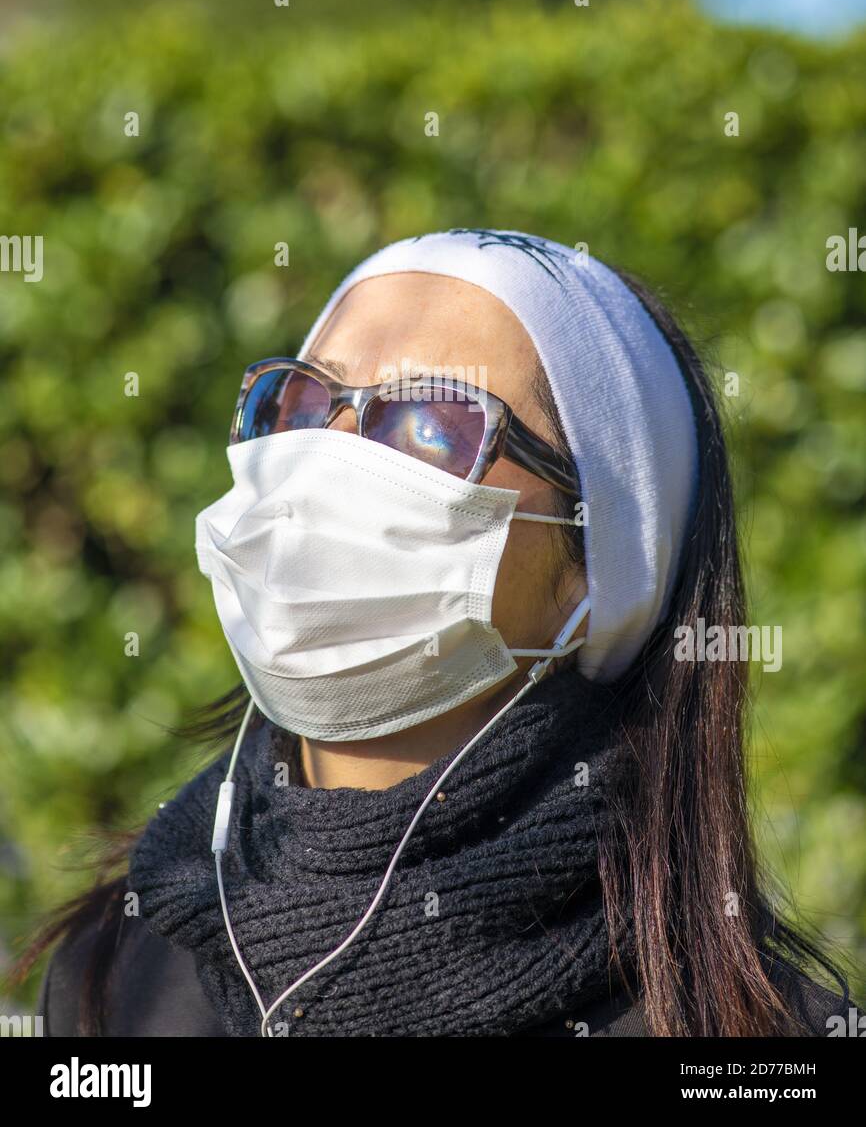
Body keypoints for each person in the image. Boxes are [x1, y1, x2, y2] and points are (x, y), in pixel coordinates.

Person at [17, 228, 855, 1037]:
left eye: (432, 424)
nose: (325, 457)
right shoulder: (113, 976)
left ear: (599, 568)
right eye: (304, 403)